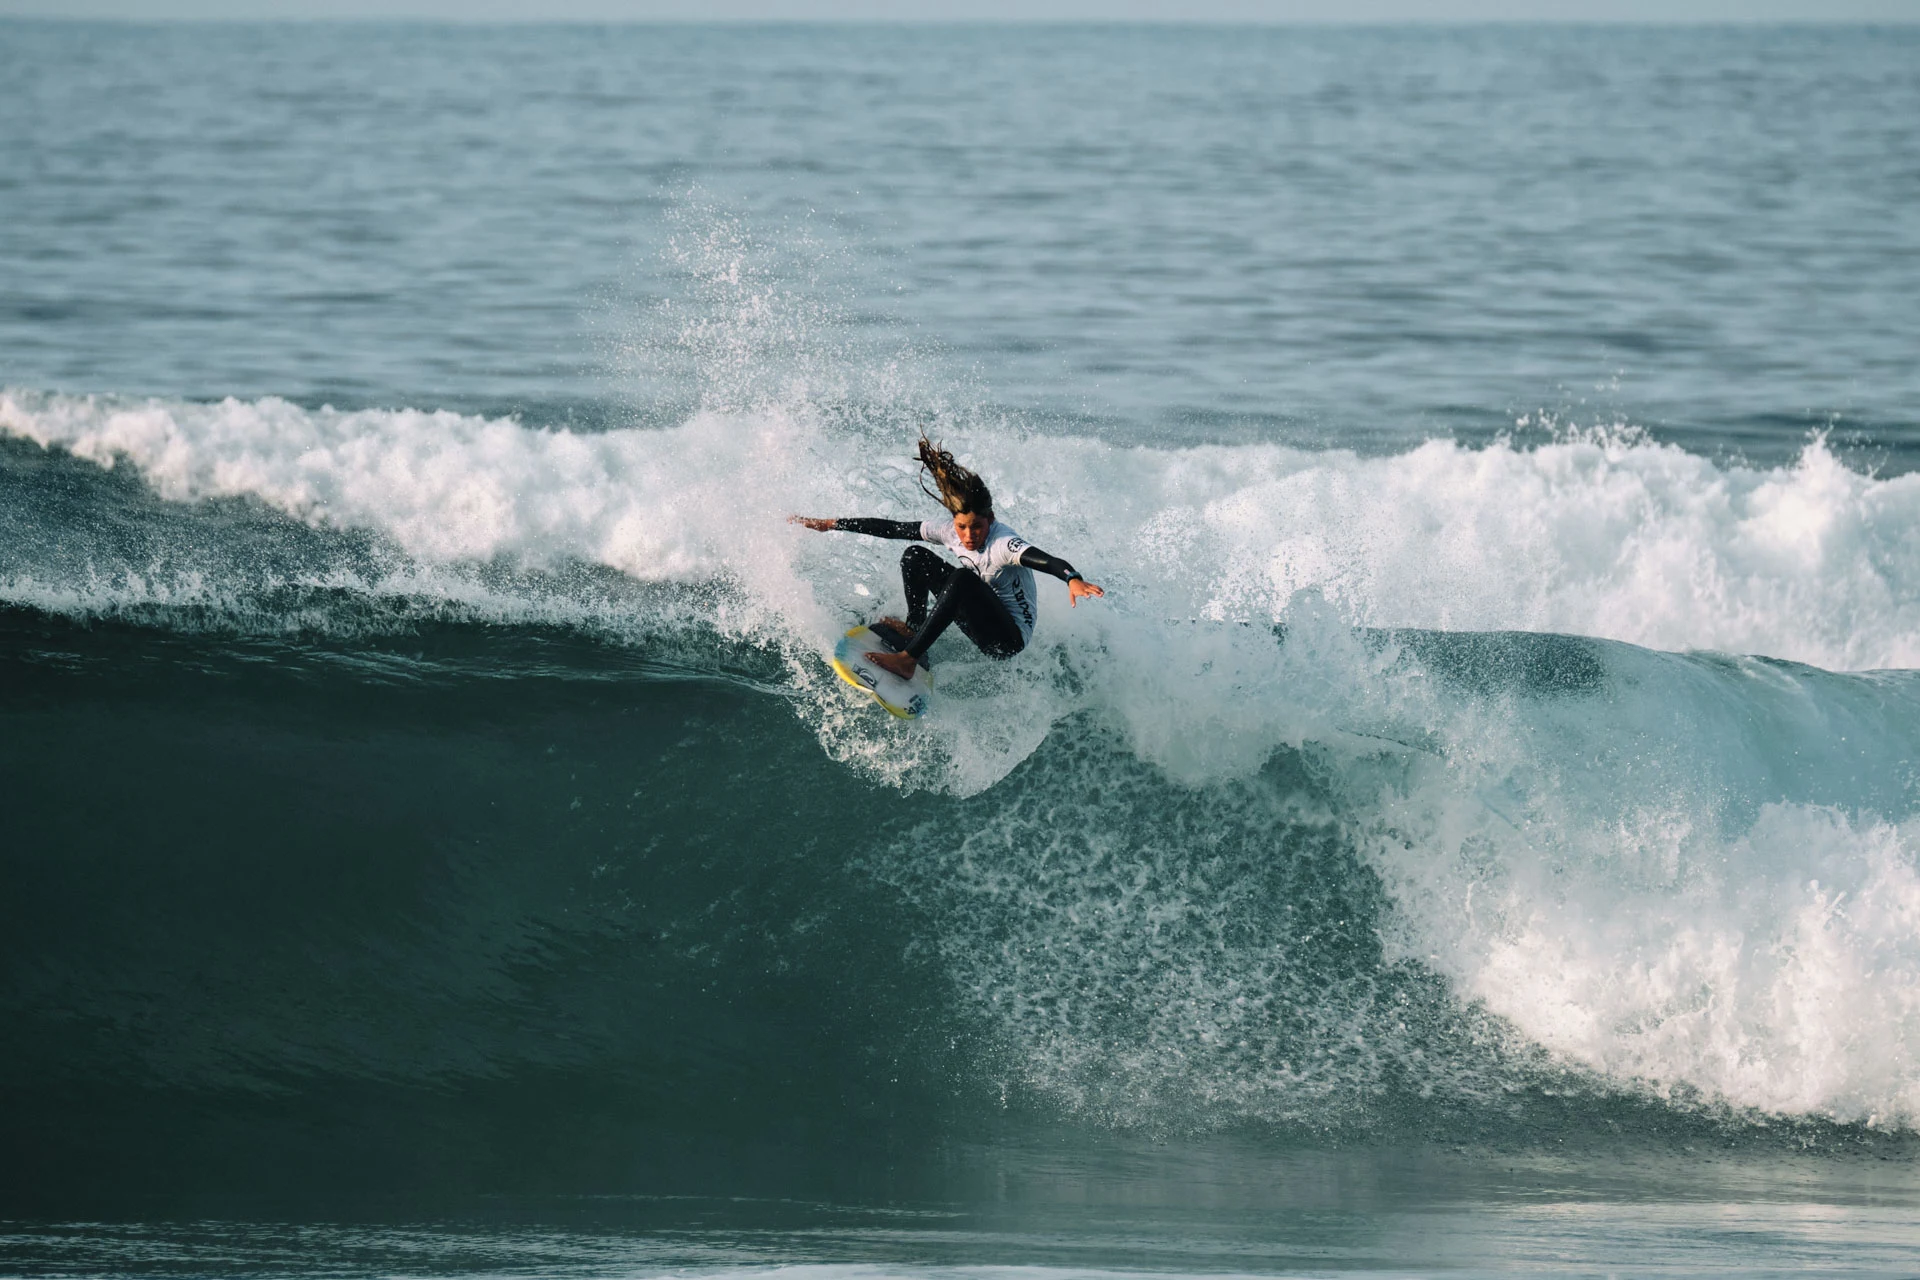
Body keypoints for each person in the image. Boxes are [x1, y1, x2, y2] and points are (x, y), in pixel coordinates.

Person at [789, 436, 1104, 680]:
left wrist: (1072, 578)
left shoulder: (1003, 543)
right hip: (979, 614)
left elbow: (1046, 560)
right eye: (962, 527)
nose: (968, 536)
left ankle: (908, 660)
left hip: (1006, 639)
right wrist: (832, 524)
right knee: (914, 555)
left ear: (990, 520)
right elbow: (894, 529)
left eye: (977, 527)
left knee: (962, 578)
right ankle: (913, 628)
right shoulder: (949, 531)